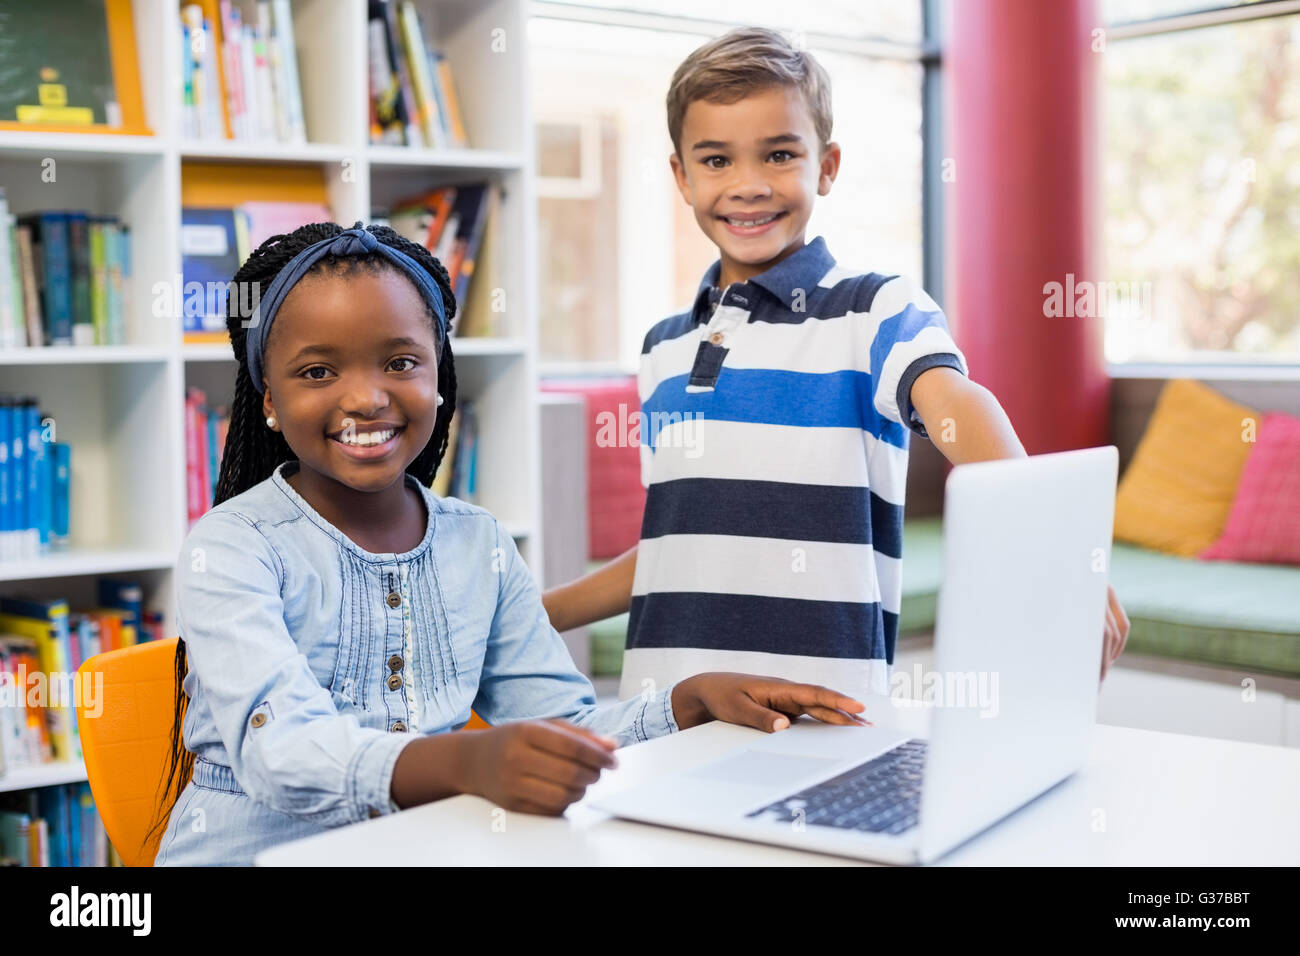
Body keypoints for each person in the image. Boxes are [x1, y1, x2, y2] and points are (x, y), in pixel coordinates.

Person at [149, 222, 868, 866]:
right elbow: (282, 751)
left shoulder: (479, 543)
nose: (367, 397)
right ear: (268, 400)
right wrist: (466, 761)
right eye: (317, 371)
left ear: (440, 381)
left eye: (400, 363)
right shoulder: (234, 548)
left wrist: (687, 703)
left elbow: (560, 723)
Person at [542, 26, 1130, 704]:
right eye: (716, 160)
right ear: (680, 175)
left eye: (780, 154)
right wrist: (537, 614)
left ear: (827, 166)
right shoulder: (662, 349)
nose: (749, 185)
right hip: (667, 715)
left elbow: (959, 406)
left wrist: (1054, 549)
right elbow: (674, 546)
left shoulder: (875, 309)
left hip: (823, 716)